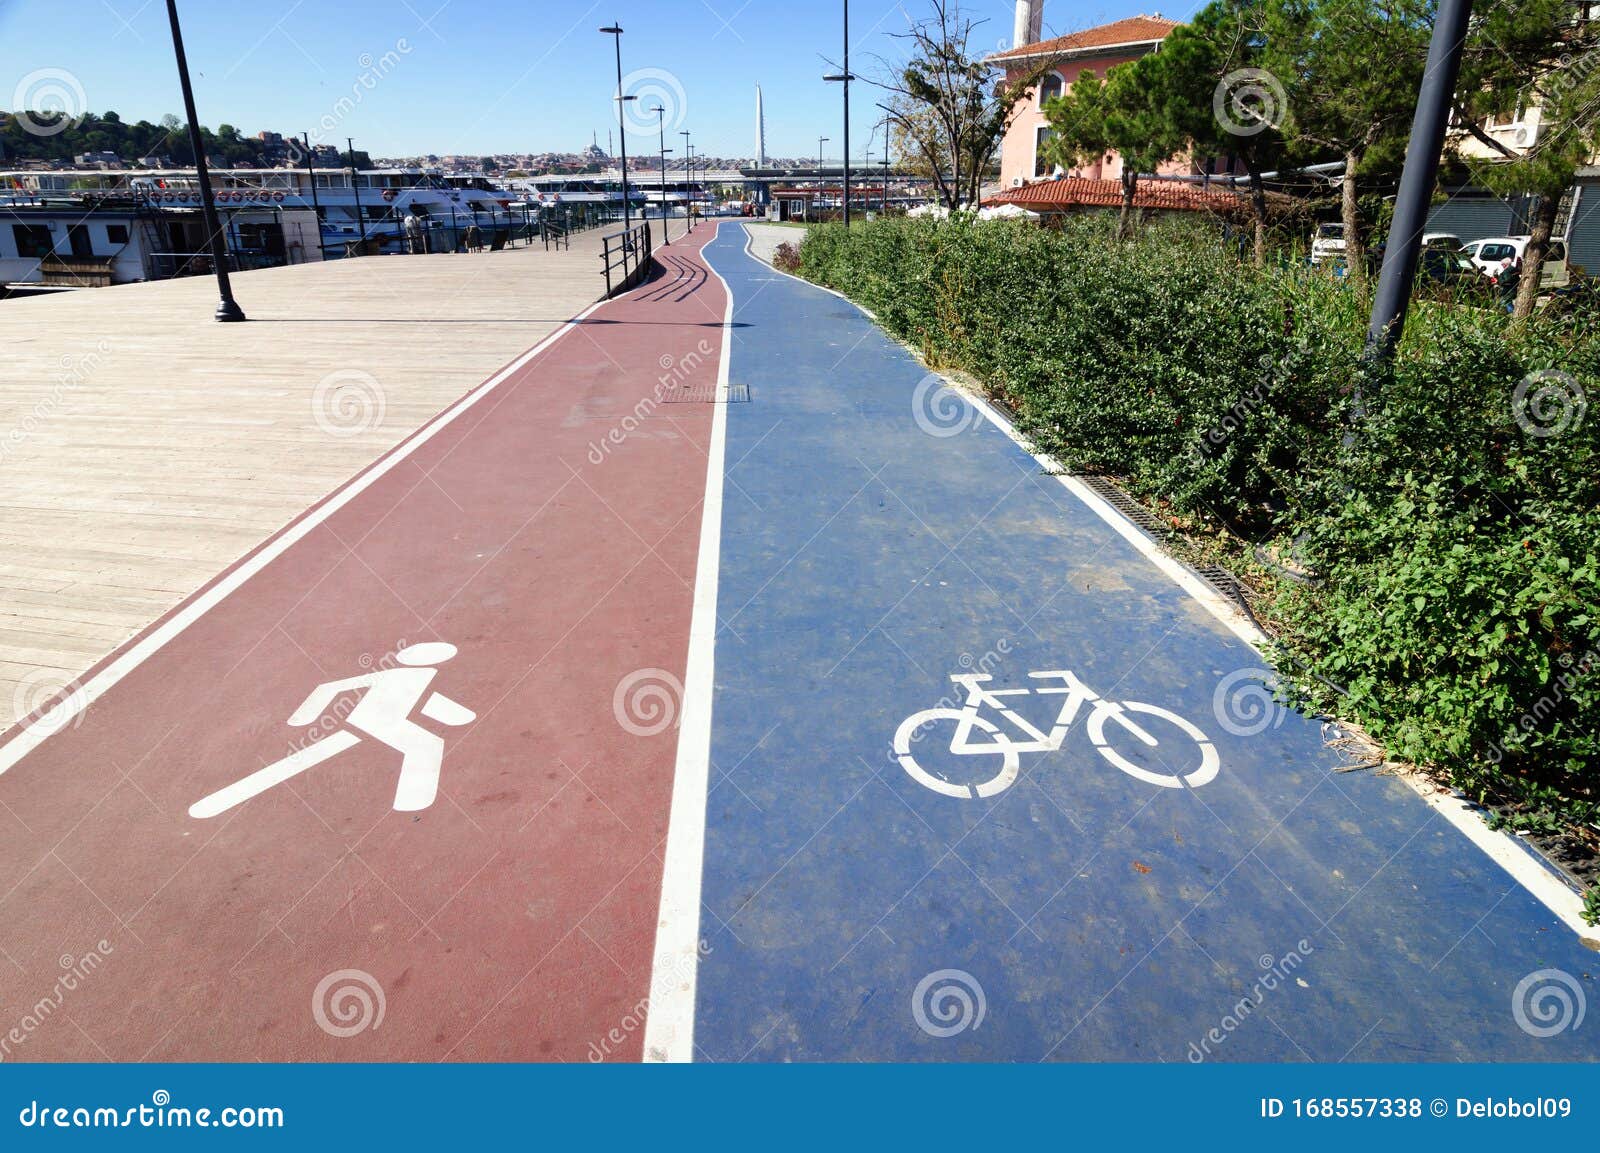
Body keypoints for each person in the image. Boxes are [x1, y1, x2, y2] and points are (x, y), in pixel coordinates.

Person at [188, 642, 475, 819]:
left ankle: (224, 799)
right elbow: (336, 688)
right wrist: (456, 716)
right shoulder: (417, 673)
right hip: (378, 723)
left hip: (364, 723)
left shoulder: (408, 673)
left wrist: (307, 716)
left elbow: (334, 688)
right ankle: (413, 801)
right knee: (423, 745)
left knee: (306, 757)